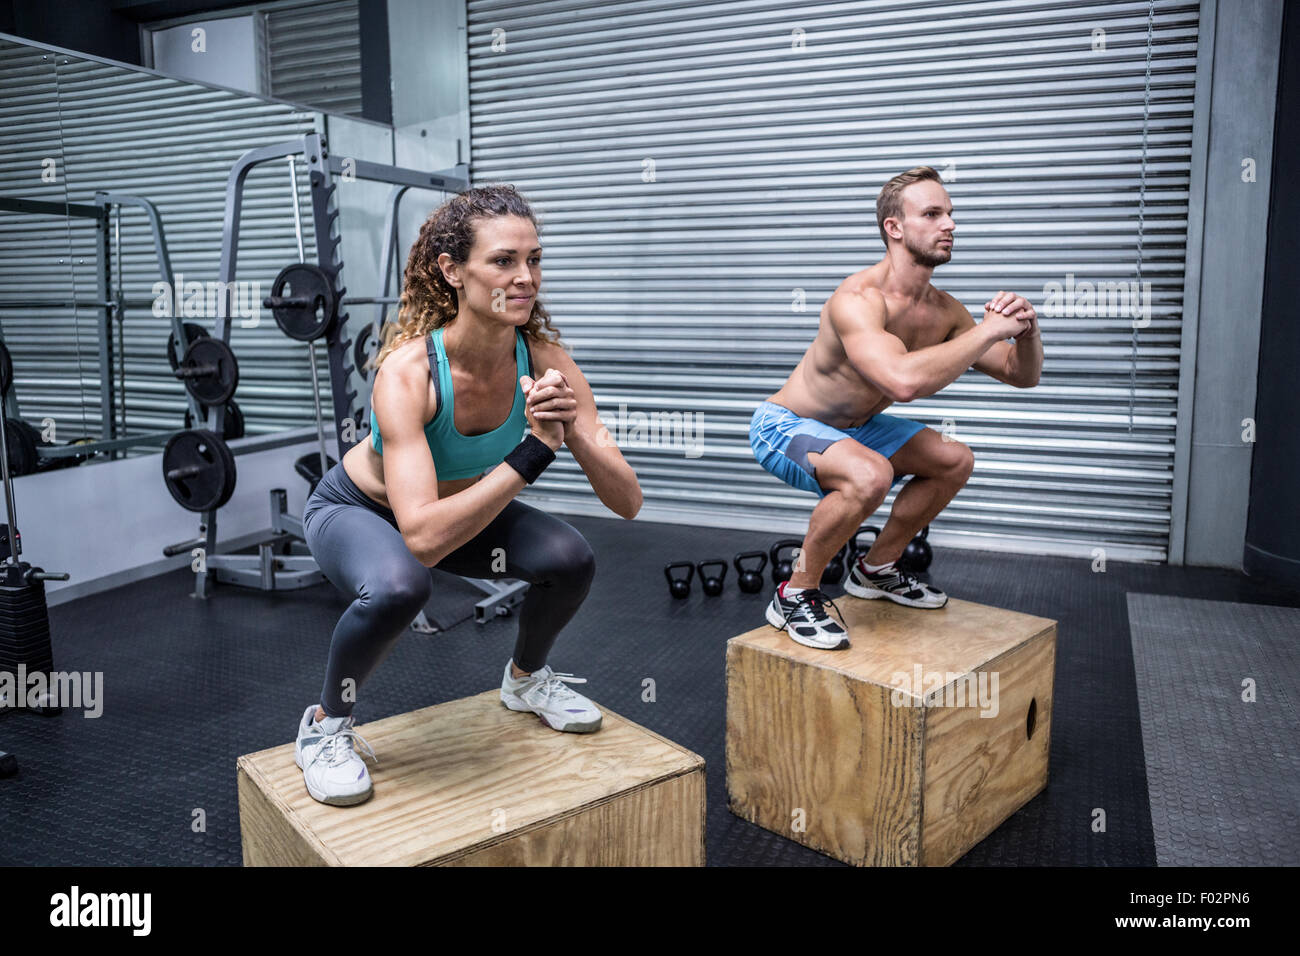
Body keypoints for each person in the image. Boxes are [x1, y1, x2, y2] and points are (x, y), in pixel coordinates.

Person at [295, 184, 642, 806]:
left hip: (457, 512)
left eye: (534, 260)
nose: (526, 277)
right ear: (452, 272)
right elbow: (422, 541)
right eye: (504, 261)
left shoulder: (544, 357)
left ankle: (525, 680)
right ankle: (326, 726)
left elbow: (628, 501)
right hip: (357, 510)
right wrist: (535, 449)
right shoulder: (410, 373)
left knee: (570, 558)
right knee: (401, 586)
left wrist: (576, 434)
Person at [750, 166, 1042, 650]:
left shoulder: (946, 311)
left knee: (954, 459)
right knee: (870, 475)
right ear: (895, 228)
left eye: (950, 214)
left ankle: (876, 568)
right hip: (787, 426)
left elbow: (1021, 375)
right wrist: (988, 330)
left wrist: (1028, 334)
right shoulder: (858, 299)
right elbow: (901, 381)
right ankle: (795, 591)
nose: (949, 224)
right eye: (932, 214)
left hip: (860, 427)